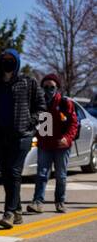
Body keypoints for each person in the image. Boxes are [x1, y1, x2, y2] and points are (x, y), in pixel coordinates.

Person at [0, 49, 45, 229]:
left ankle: (8, 213)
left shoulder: (28, 82)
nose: (8, 63)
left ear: (17, 62)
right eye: (5, 59)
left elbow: (41, 108)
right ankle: (17, 211)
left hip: (21, 136)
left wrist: (29, 124)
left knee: (14, 171)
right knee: (6, 173)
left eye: (11, 60)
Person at [27, 74, 79, 214]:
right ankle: (37, 202)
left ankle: (60, 202)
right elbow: (38, 125)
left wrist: (67, 138)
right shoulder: (40, 103)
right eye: (46, 87)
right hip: (45, 145)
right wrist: (37, 137)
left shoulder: (64, 103)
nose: (48, 89)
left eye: (52, 87)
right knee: (42, 174)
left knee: (61, 175)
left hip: (62, 146)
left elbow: (73, 124)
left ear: (57, 87)